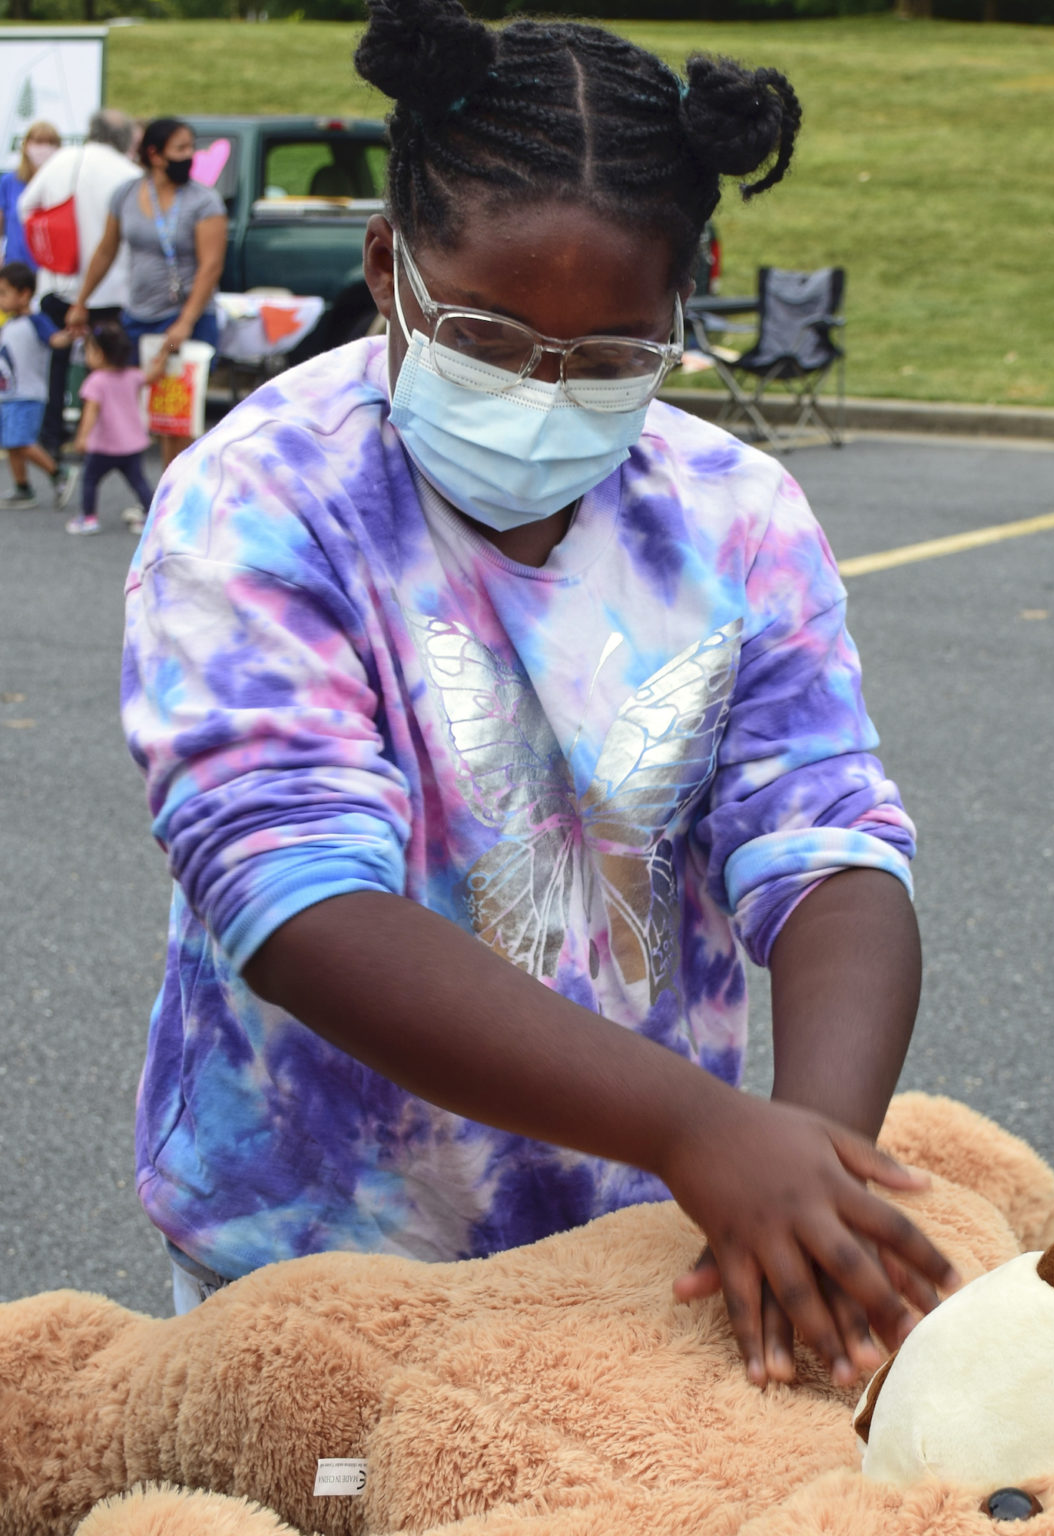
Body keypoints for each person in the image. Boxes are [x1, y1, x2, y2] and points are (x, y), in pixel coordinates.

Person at [122, 0, 959, 1386]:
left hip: (640, 1255)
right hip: (318, 1256)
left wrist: (808, 1161)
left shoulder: (734, 512)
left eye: (612, 356)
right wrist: (696, 1125)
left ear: (691, 292)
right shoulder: (263, 500)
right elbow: (293, 897)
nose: (542, 397)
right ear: (390, 265)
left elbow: (826, 841)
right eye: (492, 340)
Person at [68, 117, 227, 472]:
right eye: (181, 149)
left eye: (191, 147)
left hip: (184, 319)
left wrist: (186, 322)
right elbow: (106, 251)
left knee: (176, 417)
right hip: (139, 316)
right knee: (140, 409)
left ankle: (174, 494)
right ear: (154, 155)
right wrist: (81, 302)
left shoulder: (204, 202)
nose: (190, 155)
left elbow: (210, 266)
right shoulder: (126, 194)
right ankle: (151, 496)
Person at [17, 108, 137, 471]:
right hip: (112, 287)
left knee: (56, 364)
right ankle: (100, 438)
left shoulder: (63, 160)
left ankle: (51, 436)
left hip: (60, 280)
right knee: (106, 368)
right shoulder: (129, 173)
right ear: (123, 139)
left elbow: (26, 206)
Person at [62, 318, 163, 536]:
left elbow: (90, 413)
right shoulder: (133, 375)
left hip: (104, 446)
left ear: (99, 354)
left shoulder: (96, 381)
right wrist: (167, 351)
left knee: (90, 480)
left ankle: (88, 518)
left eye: (88, 351)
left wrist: (81, 438)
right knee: (138, 481)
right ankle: (151, 516)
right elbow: (153, 376)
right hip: (132, 444)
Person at [0, 261, 77, 507]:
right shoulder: (9, 324)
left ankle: (58, 472)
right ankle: (22, 487)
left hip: (28, 394)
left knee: (20, 441)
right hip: (9, 394)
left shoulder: (37, 321)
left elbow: (55, 339)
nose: (0, 299)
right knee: (10, 441)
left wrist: (68, 336)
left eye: (3, 293)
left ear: (24, 294)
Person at [0, 121, 62, 269]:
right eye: (39, 142)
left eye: (50, 143)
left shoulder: (62, 183)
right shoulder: (9, 182)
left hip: (51, 268)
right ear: (26, 145)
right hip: (15, 267)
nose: (43, 148)